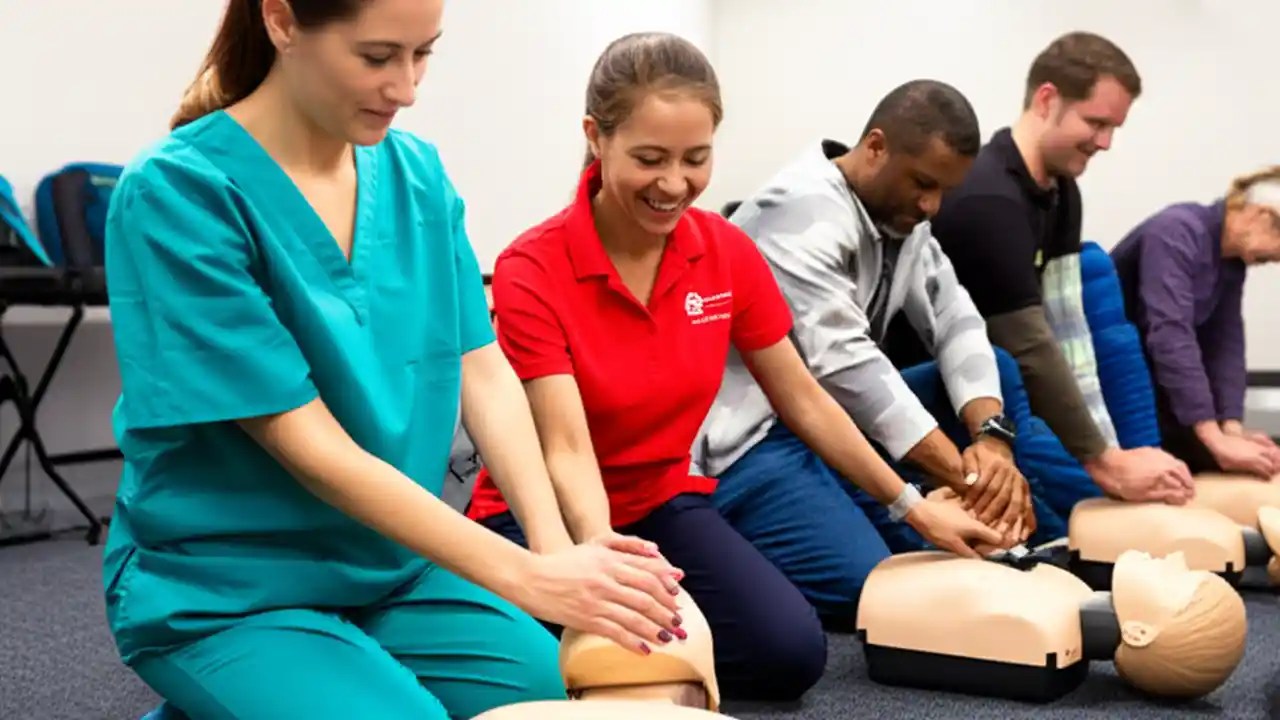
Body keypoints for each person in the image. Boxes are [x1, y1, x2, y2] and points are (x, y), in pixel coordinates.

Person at [101, 2, 688, 719]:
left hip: (389, 567)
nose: (407, 88)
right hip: (225, 585)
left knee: (550, 688)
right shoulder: (179, 193)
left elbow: (483, 368)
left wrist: (554, 547)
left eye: (423, 55)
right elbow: (309, 445)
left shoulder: (415, 173)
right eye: (378, 57)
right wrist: (525, 578)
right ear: (282, 21)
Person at [464, 31, 1001, 703]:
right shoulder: (532, 268)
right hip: (540, 518)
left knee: (789, 653)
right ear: (595, 138)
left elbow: (803, 398)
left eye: (696, 158)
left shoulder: (723, 251)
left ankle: (644, 664)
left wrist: (915, 509)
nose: (674, 184)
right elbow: (566, 448)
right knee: (579, 662)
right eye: (649, 158)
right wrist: (601, 560)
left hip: (661, 503)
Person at [693, 79, 1093, 622]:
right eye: (923, 184)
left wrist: (992, 441)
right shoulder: (797, 213)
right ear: (876, 146)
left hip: (834, 417)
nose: (931, 206)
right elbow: (847, 367)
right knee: (868, 586)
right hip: (755, 436)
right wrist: (965, 478)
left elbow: (957, 320)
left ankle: (1022, 527)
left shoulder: (904, 216)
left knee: (992, 372)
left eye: (944, 192)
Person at [928, 31, 1195, 516]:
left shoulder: (1061, 191)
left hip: (1011, 401)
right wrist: (1103, 464)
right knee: (1074, 519)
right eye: (1096, 122)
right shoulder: (989, 199)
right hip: (949, 406)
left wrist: (1115, 455)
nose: (1107, 142)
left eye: (1115, 127)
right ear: (1047, 99)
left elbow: (1070, 331)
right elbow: (1030, 347)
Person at [1110, 166, 1280, 477]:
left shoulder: (1232, 261)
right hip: (1121, 397)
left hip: (1160, 396)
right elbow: (1170, 336)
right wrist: (1213, 438)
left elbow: (1226, 344)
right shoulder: (1177, 231)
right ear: (1262, 216)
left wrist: (1232, 430)